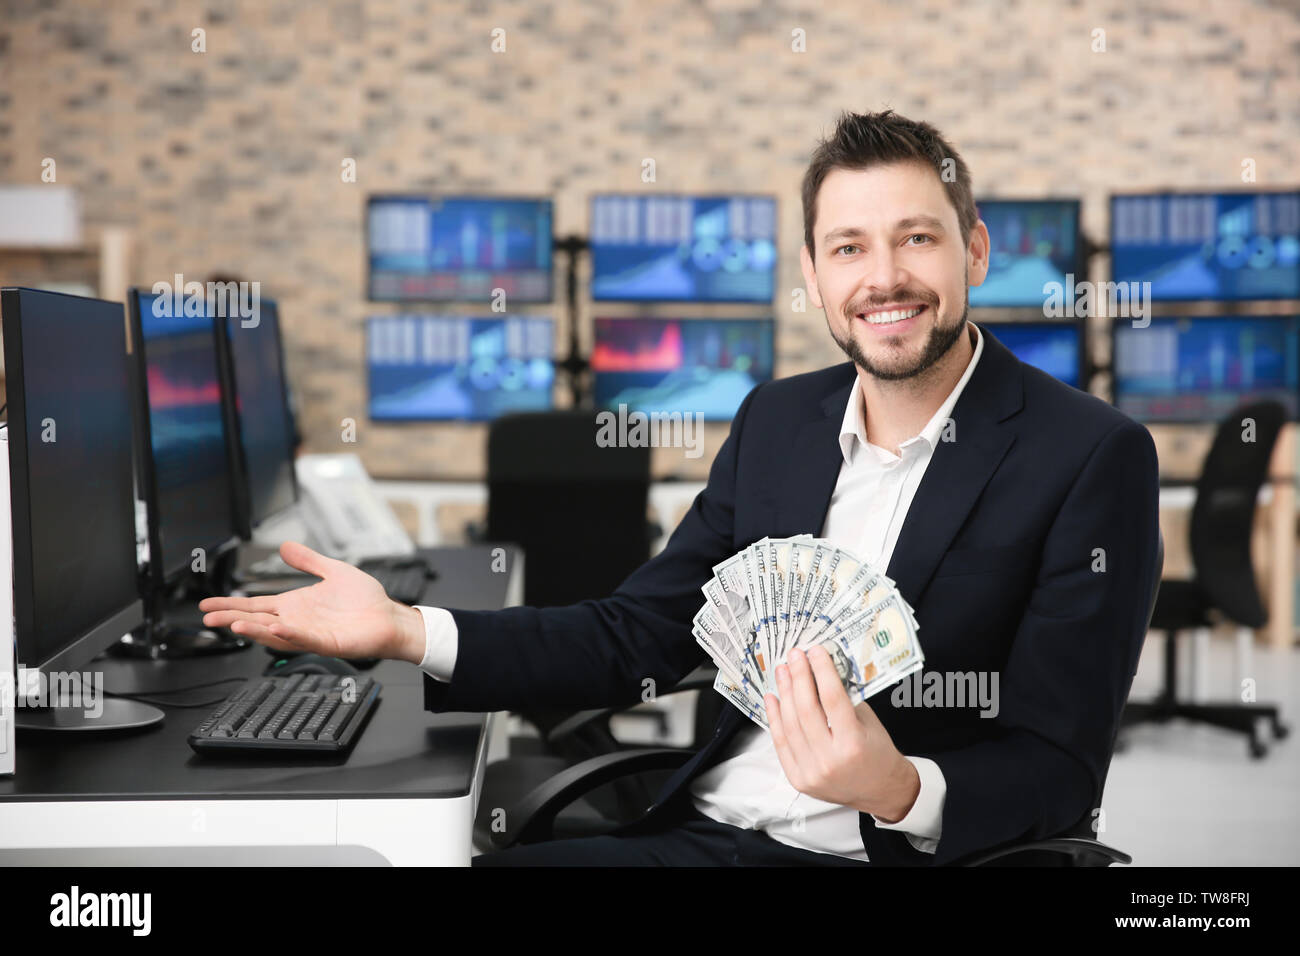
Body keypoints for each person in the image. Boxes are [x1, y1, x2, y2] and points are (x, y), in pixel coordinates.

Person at [200, 110, 1162, 866]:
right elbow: (637, 636)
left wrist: (901, 787)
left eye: (917, 239)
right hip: (701, 835)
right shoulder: (778, 423)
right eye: (849, 247)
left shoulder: (1090, 455)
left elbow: (1060, 766)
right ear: (813, 275)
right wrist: (407, 631)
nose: (885, 277)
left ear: (975, 251)